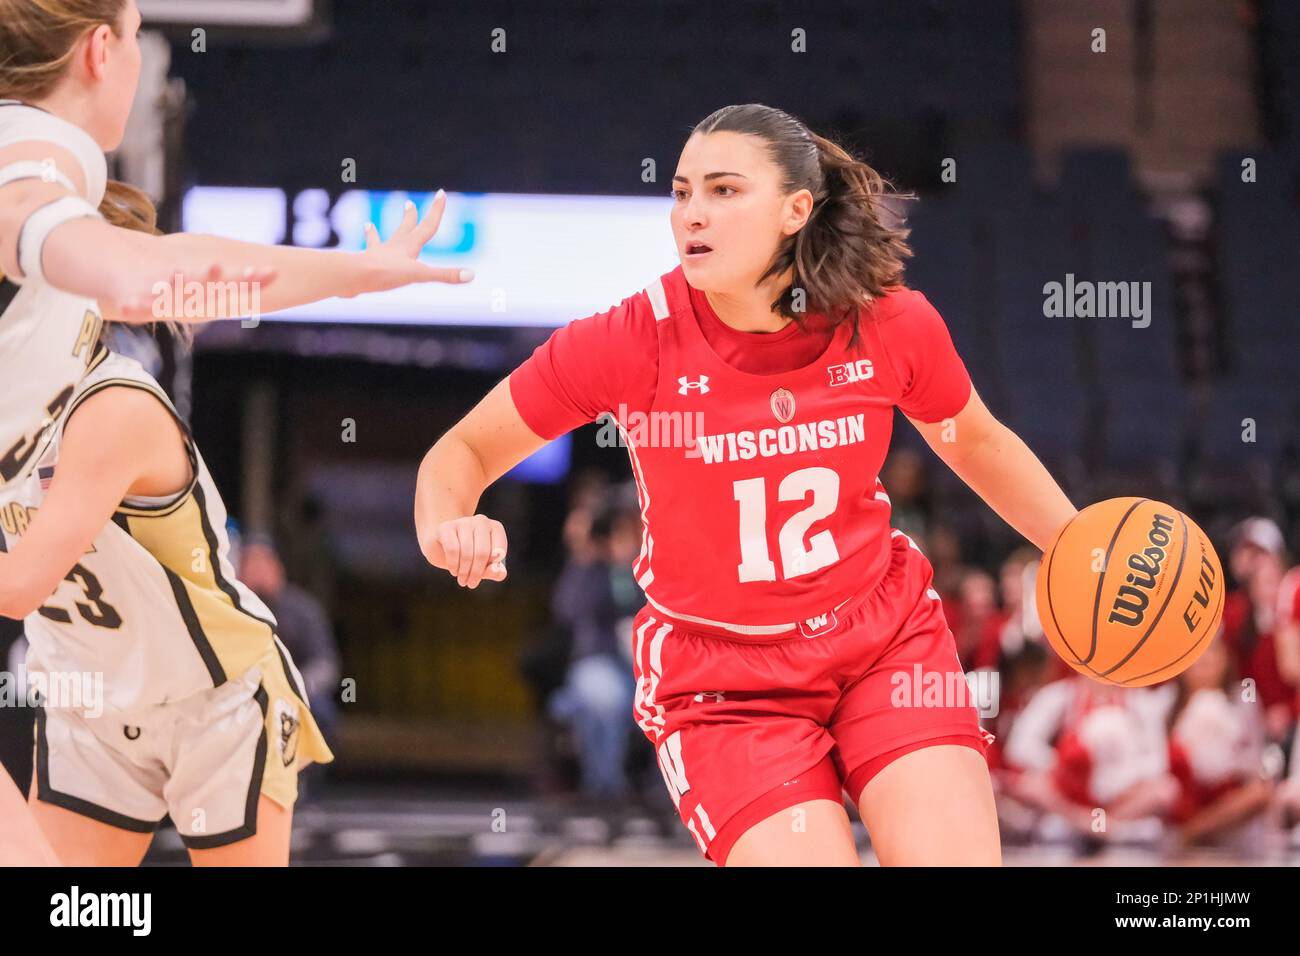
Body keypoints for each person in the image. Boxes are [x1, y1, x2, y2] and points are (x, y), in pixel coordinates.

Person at [414, 104, 1078, 866]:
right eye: (682, 192)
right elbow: (461, 450)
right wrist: (446, 525)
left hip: (880, 642)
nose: (693, 213)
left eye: (724, 191)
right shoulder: (633, 340)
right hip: (725, 686)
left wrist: (1076, 546)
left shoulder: (889, 323)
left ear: (798, 209)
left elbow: (979, 441)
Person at [0, 0, 467, 865]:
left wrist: (353, 275)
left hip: (211, 695)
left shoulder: (104, 395)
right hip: (92, 694)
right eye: (140, 35)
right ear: (102, 51)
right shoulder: (42, 149)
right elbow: (151, 273)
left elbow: (173, 275)